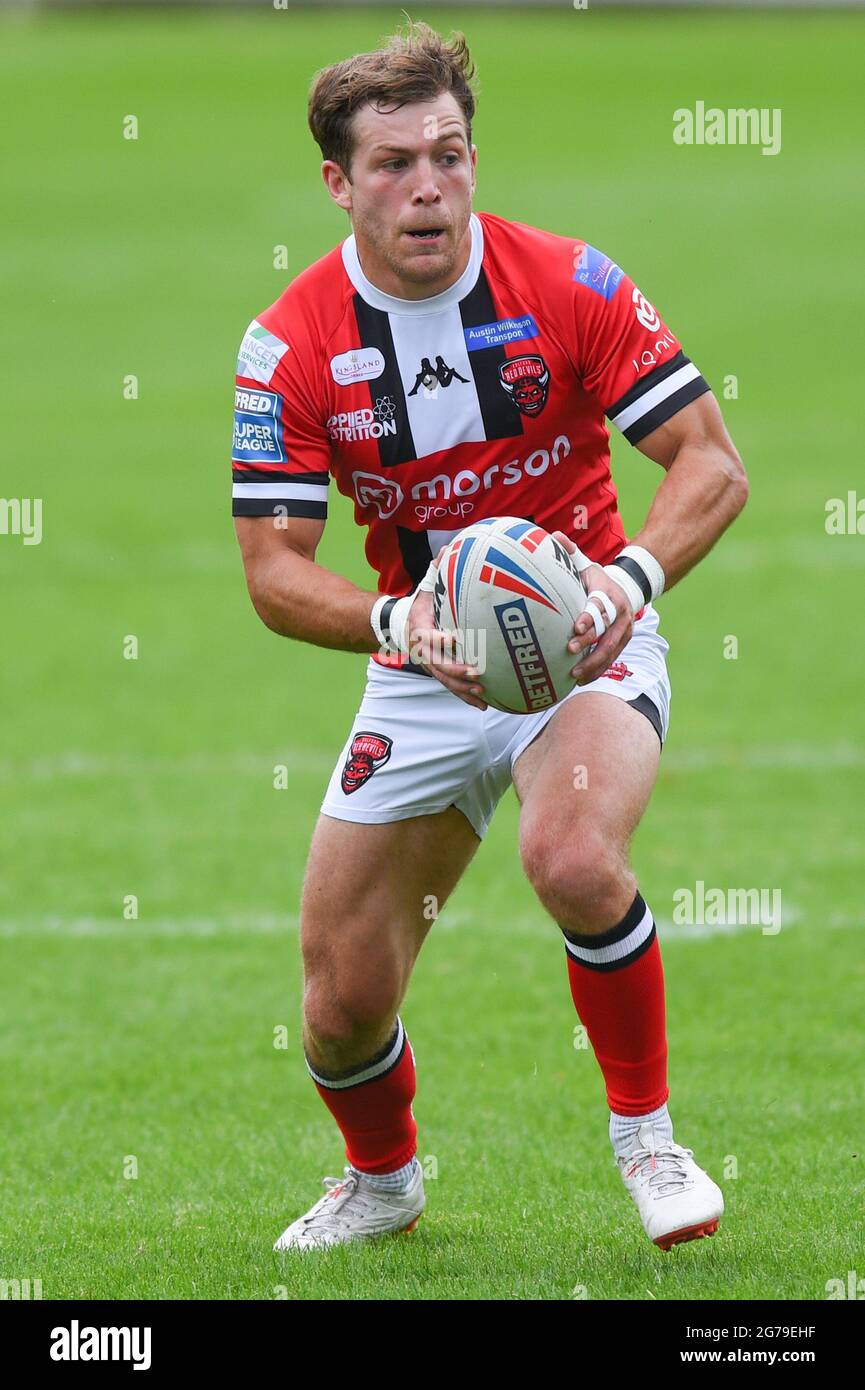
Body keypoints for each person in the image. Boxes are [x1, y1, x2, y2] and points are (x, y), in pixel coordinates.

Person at [231, 20, 748, 1253]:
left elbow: (711, 467)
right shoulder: (288, 344)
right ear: (339, 184)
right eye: (395, 163)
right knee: (341, 1005)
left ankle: (649, 1141)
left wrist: (625, 579)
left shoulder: (568, 282)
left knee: (571, 856)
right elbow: (272, 573)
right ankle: (383, 1182)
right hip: (421, 662)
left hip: (584, 640)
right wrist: (398, 622)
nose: (428, 187)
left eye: (449, 156)